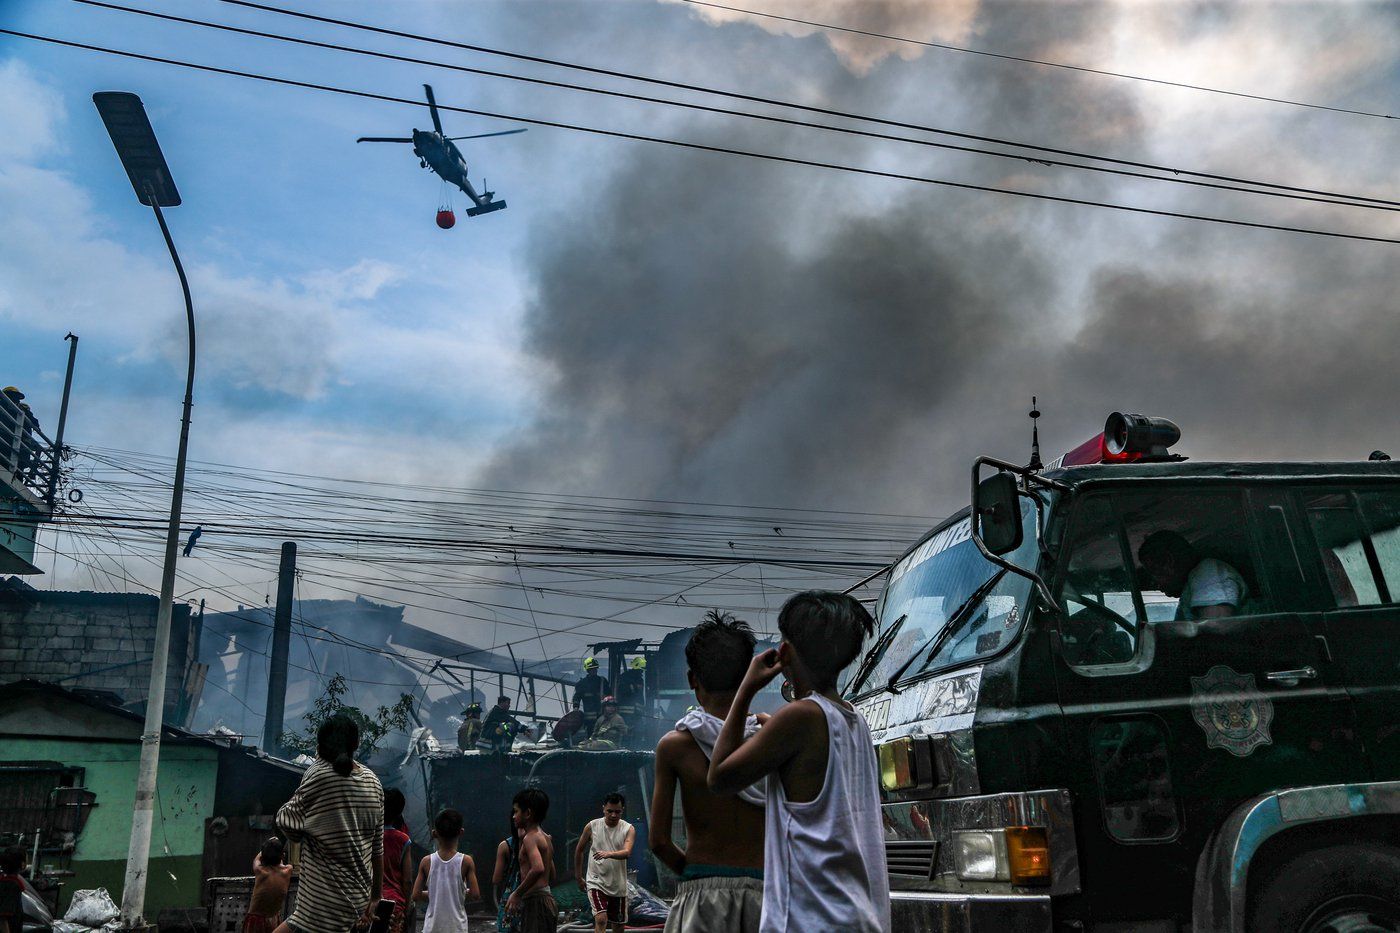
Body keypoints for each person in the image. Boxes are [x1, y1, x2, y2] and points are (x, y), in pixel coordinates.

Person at [708, 591, 890, 933]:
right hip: (856, 915)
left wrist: (745, 688)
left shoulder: (800, 716)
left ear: (786, 651)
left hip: (812, 920)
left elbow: (719, 777)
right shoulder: (854, 720)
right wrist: (774, 732)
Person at [651, 611, 765, 933]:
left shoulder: (674, 747)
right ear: (747, 676)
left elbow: (658, 841)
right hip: (767, 892)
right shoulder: (771, 736)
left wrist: (698, 874)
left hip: (702, 894)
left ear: (692, 680)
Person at [275, 713, 386, 933]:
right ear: (355, 744)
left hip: (320, 909)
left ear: (320, 744)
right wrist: (376, 896)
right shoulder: (373, 781)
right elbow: (377, 849)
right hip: (358, 903)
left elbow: (286, 822)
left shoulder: (319, 775)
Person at [1138, 530, 1248, 620]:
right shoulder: (1191, 587)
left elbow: (1217, 630)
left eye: (1154, 572)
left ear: (1168, 561)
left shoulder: (1208, 573)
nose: (1156, 584)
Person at [410, 808, 480, 933]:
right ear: (461, 832)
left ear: (434, 833)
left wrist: (436, 894)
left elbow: (415, 895)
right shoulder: (466, 861)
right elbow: (475, 894)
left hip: (432, 928)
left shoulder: (426, 862)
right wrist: (459, 893)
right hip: (457, 927)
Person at [575, 793, 634, 933]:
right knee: (601, 919)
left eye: (617, 812)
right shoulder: (592, 826)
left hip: (618, 884)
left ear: (622, 810)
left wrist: (609, 854)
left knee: (618, 926)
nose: (613, 815)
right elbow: (579, 851)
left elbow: (627, 852)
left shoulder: (628, 829)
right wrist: (578, 877)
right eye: (610, 811)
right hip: (596, 881)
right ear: (603, 809)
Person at [505, 788, 557, 933]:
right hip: (545, 900)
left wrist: (517, 894)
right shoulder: (545, 837)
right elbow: (551, 873)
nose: (513, 816)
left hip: (536, 902)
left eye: (516, 812)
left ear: (527, 813)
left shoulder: (530, 838)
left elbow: (538, 868)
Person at [382, 789, 414, 933]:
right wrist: (408, 906)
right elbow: (407, 880)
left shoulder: (368, 836)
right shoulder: (403, 840)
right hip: (395, 904)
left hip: (369, 903)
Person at [244, 837, 292, 933]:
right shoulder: (288, 870)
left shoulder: (261, 871)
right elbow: (279, 863)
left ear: (262, 858)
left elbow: (256, 859)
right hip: (274, 918)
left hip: (256, 920)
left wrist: (268, 845)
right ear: (283, 856)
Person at [573, 657, 609, 732]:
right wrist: (576, 707)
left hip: (602, 716)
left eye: (595, 668)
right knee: (591, 736)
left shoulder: (602, 681)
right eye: (592, 669)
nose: (594, 671)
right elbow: (577, 697)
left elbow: (609, 695)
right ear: (587, 670)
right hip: (589, 719)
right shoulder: (581, 684)